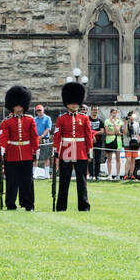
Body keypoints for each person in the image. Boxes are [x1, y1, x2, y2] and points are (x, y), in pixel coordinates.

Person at [52, 81, 93, 210]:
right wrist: (56, 153)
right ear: (67, 103)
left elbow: (88, 136)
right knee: (64, 181)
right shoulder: (61, 118)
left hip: (81, 151)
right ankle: (61, 206)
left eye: (76, 102)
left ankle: (84, 205)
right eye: (72, 102)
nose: (74, 104)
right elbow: (57, 137)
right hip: (66, 151)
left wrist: (89, 152)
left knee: (82, 181)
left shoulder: (84, 118)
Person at [0, 85, 36, 210]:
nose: (19, 108)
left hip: (26, 153)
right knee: (12, 181)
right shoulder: (7, 122)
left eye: (20, 106)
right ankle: (11, 203)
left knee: (27, 181)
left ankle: (28, 203)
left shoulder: (30, 120)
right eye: (16, 106)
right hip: (12, 153)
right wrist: (1, 151)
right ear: (12, 106)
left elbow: (34, 136)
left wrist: (35, 151)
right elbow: (3, 138)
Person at [103, 108, 122, 180]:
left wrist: (114, 122)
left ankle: (118, 175)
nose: (114, 114)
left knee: (118, 158)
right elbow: (107, 132)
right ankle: (109, 175)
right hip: (109, 141)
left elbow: (118, 130)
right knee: (109, 159)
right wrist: (116, 133)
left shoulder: (119, 121)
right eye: (113, 113)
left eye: (115, 113)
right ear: (110, 113)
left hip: (118, 141)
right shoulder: (107, 121)